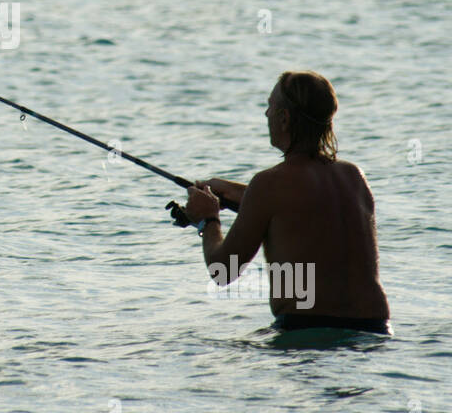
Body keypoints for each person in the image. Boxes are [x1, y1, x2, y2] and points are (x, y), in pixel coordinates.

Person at [168, 71, 391, 334]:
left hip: (307, 330)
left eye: (270, 106)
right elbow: (302, 213)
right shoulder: (354, 177)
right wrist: (233, 193)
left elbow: (222, 271)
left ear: (284, 118)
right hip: (374, 329)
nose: (266, 115)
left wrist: (208, 219)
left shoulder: (268, 185)